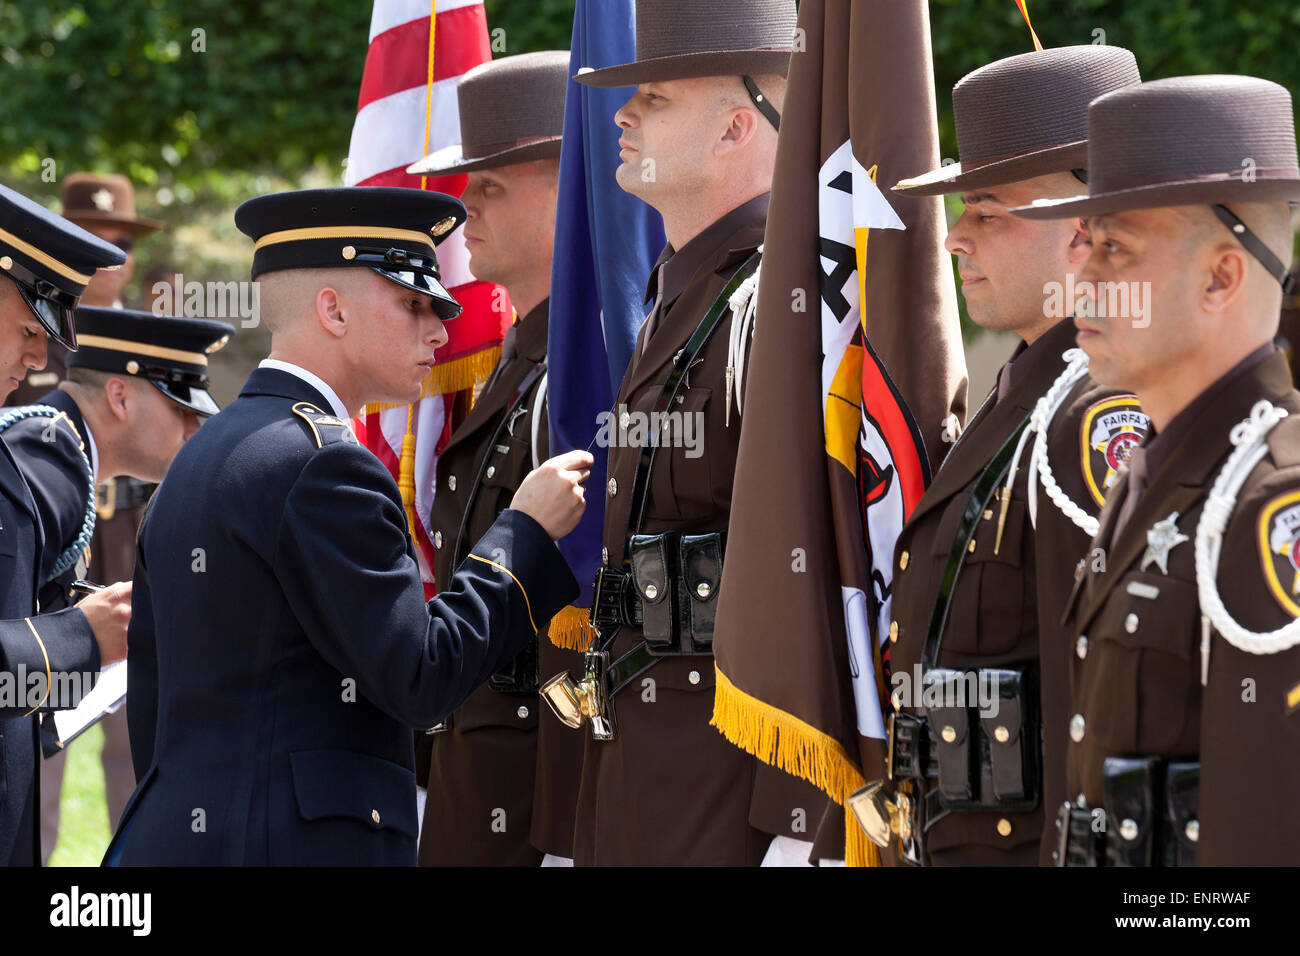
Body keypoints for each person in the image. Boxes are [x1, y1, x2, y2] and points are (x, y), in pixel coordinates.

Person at [103, 186, 591, 865]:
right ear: (331, 310)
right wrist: (523, 535)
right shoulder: (323, 464)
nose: (440, 332)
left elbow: (160, 707)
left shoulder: (209, 451)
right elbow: (420, 675)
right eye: (414, 304)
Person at [555, 0, 829, 866]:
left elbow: (819, 573)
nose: (623, 115)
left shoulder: (780, 308)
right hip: (644, 775)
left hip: (725, 799)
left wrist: (797, 826)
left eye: (657, 98)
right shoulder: (680, 302)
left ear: (735, 128)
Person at [857, 46, 1145, 866]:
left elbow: (1095, 707)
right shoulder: (1026, 392)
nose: (954, 238)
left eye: (988, 211)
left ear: (1080, 232)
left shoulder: (1095, 414)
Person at [1013, 74, 1300, 866]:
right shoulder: (1149, 474)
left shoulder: (1270, 505)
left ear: (1220, 277)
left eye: (1115, 248)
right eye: (1084, 244)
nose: (1085, 277)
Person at [404, 50, 585, 866]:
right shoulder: (522, 363)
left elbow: (581, 629)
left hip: (534, 803)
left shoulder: (587, 375)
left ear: (571, 182)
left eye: (492, 185)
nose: (462, 208)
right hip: (478, 787)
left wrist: (565, 837)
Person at [10, 174, 166, 863]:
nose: (40, 353)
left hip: (118, 540)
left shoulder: (147, 335)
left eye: (119, 244)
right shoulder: (42, 357)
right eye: (96, 240)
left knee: (131, 736)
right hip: (39, 545)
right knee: (30, 735)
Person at [5, 307, 234, 618]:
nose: (194, 428)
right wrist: (86, 633)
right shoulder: (48, 460)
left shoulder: (60, 450)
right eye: (181, 409)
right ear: (119, 398)